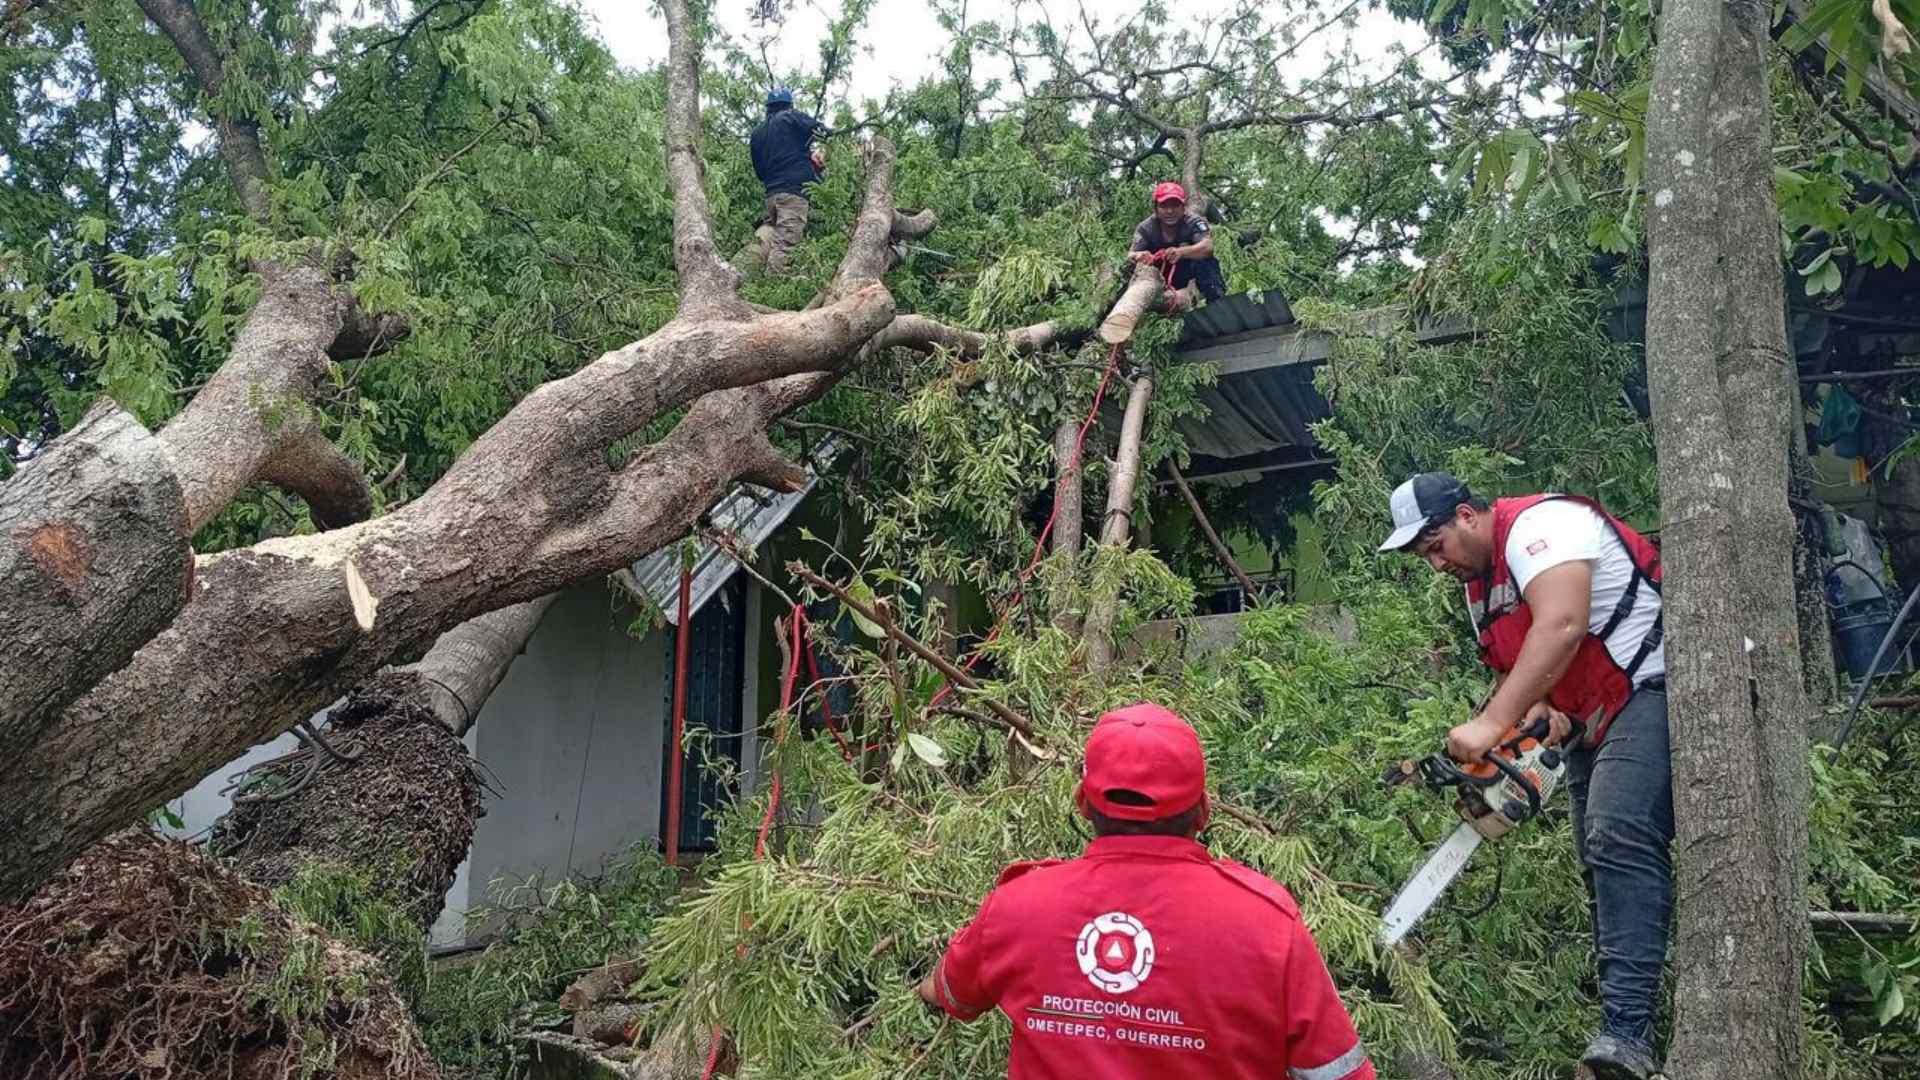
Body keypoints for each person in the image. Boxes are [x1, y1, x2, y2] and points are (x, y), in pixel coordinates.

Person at [1377, 472, 1670, 1080]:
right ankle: (1628, 1029)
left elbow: (1562, 625)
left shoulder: (1541, 525)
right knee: (1599, 858)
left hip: (1656, 682)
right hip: (1597, 715)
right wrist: (1526, 732)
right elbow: (1536, 682)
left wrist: (1490, 726)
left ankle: (1627, 1035)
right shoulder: (1481, 588)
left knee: (1616, 834)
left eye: (1436, 547)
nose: (1436, 565)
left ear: (1465, 515)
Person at [917, 702, 1374, 1080]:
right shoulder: (1268, 922)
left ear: (1082, 803)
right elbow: (1337, 1072)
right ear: (1203, 811)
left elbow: (949, 993)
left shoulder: (1018, 906)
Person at [747, 87, 827, 274]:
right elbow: (820, 130)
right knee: (785, 246)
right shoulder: (790, 117)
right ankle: (774, 291)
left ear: (768, 107)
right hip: (792, 194)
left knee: (774, 239)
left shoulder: (757, 133)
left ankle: (760, 282)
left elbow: (759, 172)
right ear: (789, 105)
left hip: (771, 196)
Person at [1125, 182, 1226, 311]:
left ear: (1183, 207)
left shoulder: (1194, 221)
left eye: (1175, 205)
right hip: (1159, 276)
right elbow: (1130, 255)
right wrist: (1139, 256)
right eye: (1164, 206)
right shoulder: (1145, 228)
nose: (1170, 211)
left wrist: (1182, 252)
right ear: (1155, 209)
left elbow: (1208, 247)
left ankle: (1217, 304)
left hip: (1188, 272)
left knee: (1207, 262)